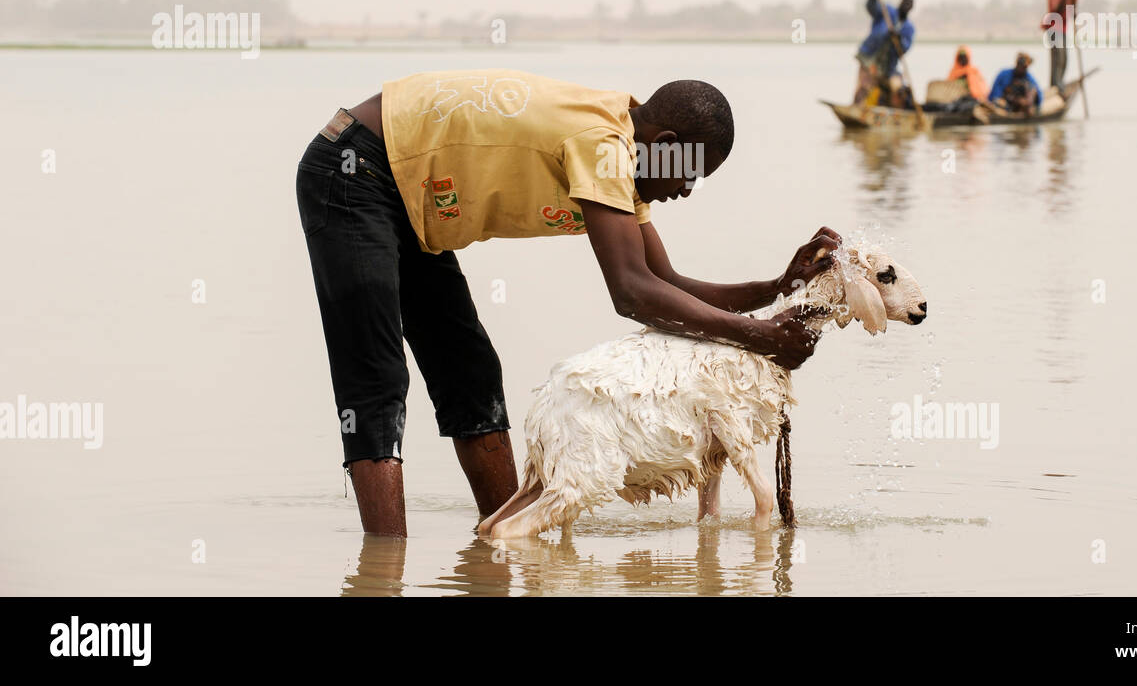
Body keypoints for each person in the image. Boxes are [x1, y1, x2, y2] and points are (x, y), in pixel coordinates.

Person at [296, 69, 841, 537]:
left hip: (410, 200)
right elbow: (632, 294)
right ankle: (384, 566)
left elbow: (665, 281)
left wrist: (777, 289)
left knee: (471, 373)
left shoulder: (625, 156)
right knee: (376, 378)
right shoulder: (603, 144)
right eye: (691, 173)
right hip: (357, 167)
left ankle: (501, 541)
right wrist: (763, 338)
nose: (687, 191)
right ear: (667, 140)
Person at [853, 0, 915, 107]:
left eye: (909, 4)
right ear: (900, 2)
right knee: (865, 88)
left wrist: (898, 38)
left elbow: (904, 49)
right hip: (870, 59)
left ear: (911, 8)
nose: (906, 5)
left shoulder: (908, 28)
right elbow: (872, 8)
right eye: (905, 2)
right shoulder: (888, 12)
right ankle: (857, 109)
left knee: (898, 90)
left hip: (888, 67)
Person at [1041, 0, 1078, 90]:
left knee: (1064, 58)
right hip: (1052, 27)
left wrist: (1073, 11)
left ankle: (1059, 83)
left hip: (1062, 28)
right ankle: (1055, 86)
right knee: (1058, 58)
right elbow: (1056, 9)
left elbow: (1073, 4)